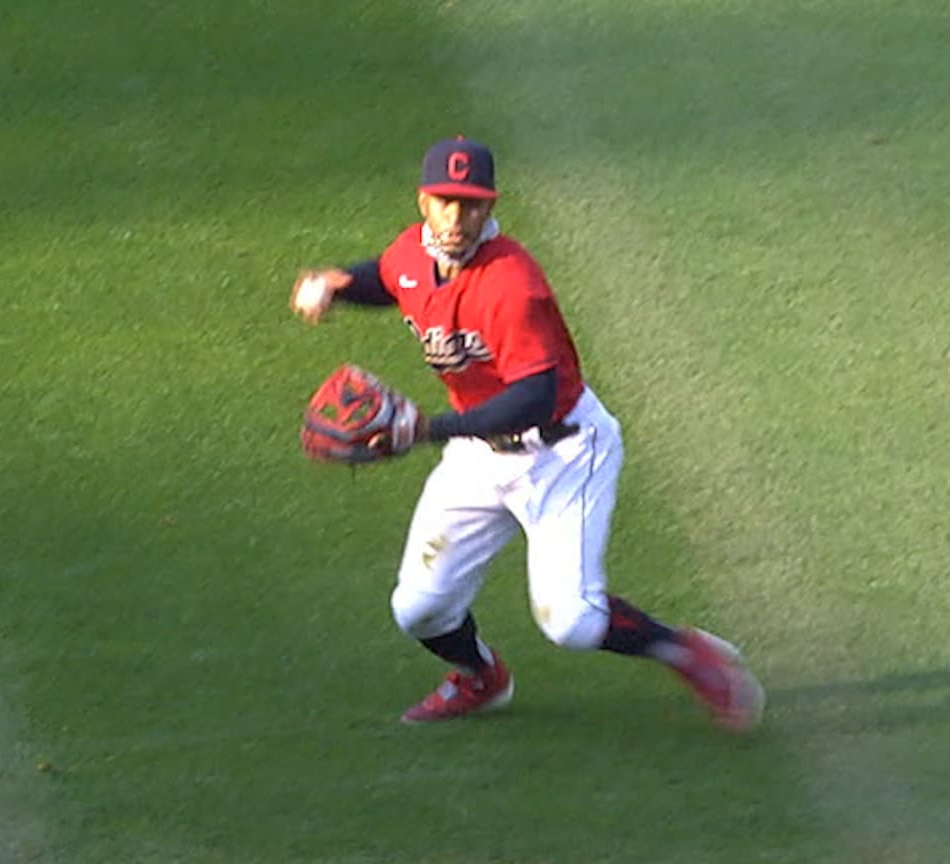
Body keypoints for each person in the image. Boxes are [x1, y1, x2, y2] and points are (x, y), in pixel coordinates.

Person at [288, 136, 765, 731]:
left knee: (572, 622)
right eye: (445, 201)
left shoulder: (512, 282)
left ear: (491, 208)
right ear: (423, 202)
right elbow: (390, 278)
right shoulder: (412, 253)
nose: (457, 217)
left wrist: (430, 429)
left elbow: (534, 398)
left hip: (564, 452)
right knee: (419, 608)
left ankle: (684, 651)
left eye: (472, 204)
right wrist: (338, 284)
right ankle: (480, 677)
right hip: (477, 452)